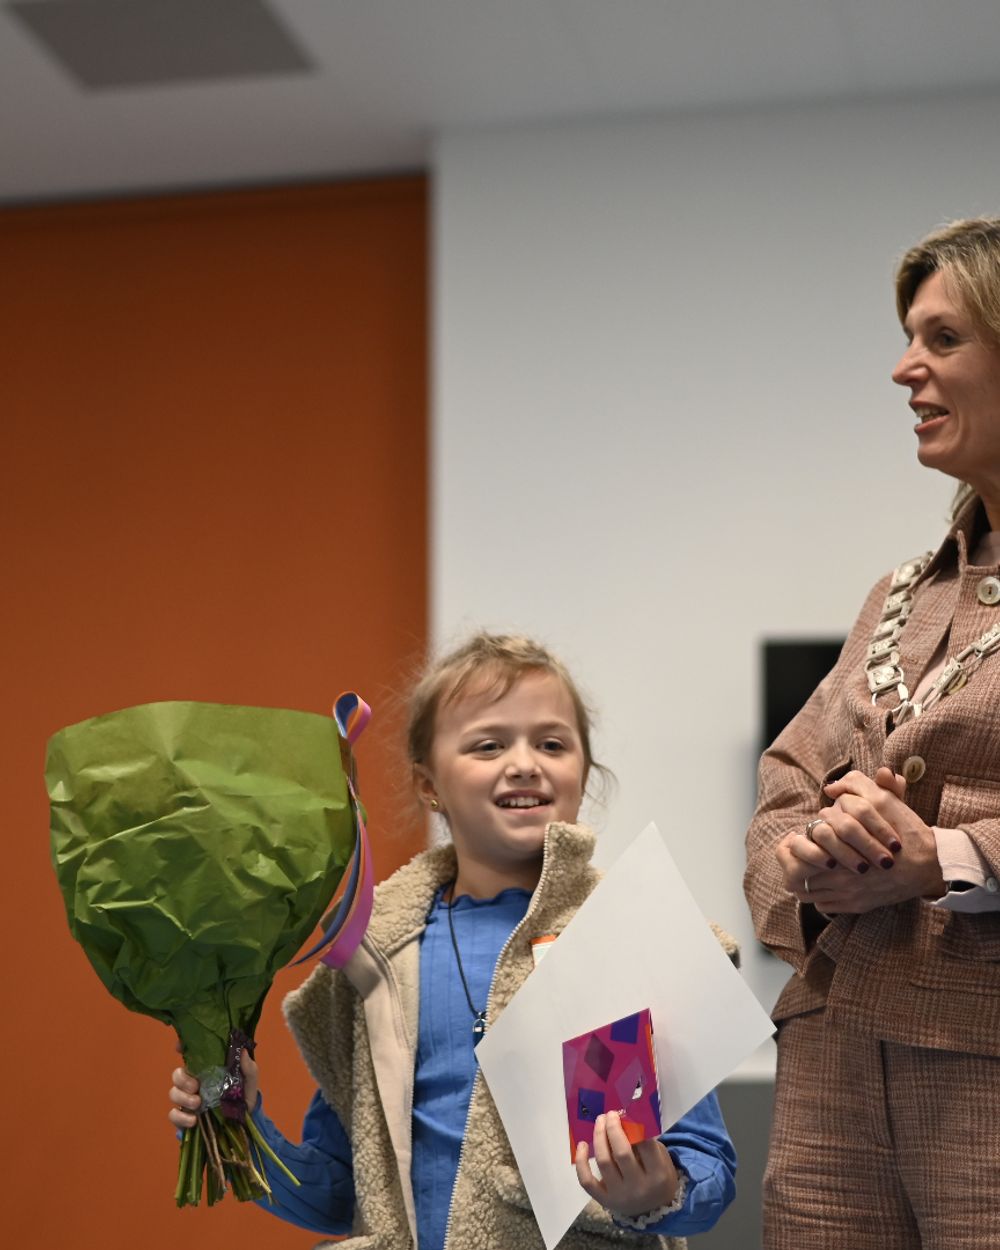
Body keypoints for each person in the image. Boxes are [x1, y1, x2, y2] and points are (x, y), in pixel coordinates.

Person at [170, 633, 737, 1248]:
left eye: (552, 744)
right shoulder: (378, 958)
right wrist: (239, 1125)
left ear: (584, 771)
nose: (525, 763)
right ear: (429, 784)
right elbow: (342, 1193)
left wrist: (657, 1190)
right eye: (489, 745)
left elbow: (707, 1166)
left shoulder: (627, 936)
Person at [744, 217, 1000, 1250]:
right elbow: (783, 783)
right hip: (829, 1075)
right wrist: (816, 870)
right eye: (907, 338)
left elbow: (931, 852)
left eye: (943, 338)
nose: (905, 369)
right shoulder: (894, 595)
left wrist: (942, 858)